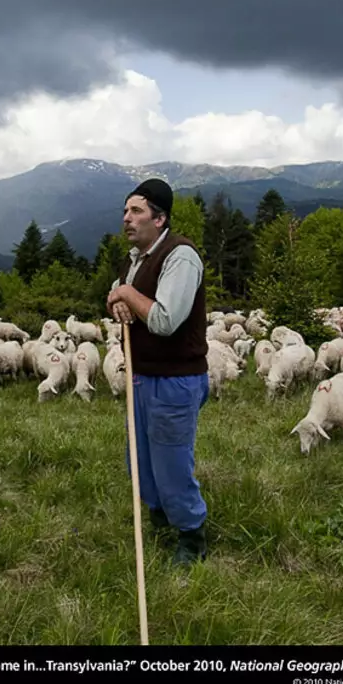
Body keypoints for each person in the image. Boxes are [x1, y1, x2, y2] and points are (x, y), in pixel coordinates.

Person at [106, 178, 210, 566]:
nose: (126, 219)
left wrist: (125, 295)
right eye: (126, 211)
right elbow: (120, 297)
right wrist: (116, 299)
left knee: (170, 462)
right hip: (141, 372)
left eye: (136, 212)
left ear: (160, 218)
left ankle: (190, 536)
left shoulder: (180, 257)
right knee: (142, 457)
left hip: (174, 378)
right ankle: (160, 515)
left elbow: (165, 319)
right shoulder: (136, 259)